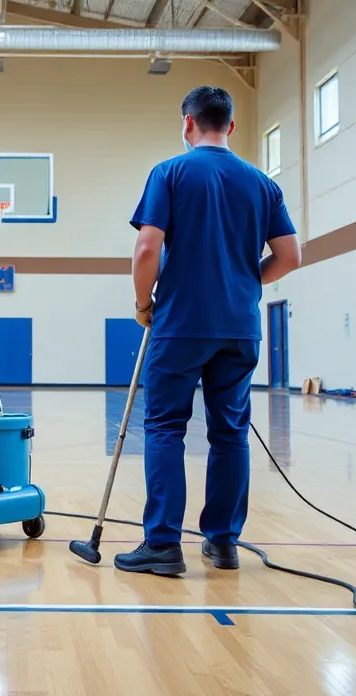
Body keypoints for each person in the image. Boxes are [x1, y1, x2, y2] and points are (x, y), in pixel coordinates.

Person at [116, 85, 301, 576]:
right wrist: (245, 281)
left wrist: (142, 303)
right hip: (239, 328)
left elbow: (146, 249)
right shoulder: (263, 183)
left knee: (164, 428)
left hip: (181, 324)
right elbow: (289, 257)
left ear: (187, 124)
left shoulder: (170, 172)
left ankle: (162, 545)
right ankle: (222, 544)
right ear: (231, 127)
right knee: (230, 434)